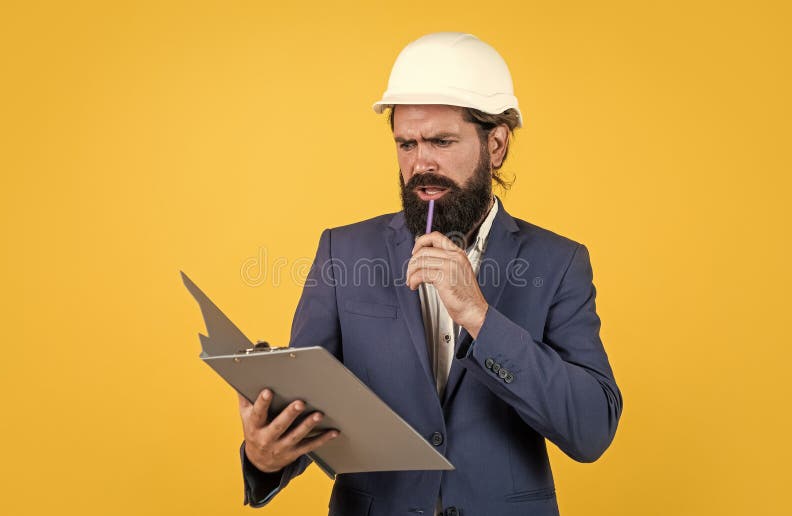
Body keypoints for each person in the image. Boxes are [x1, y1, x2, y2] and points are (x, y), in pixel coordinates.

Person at [237, 32, 623, 516]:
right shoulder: (343, 251)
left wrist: (481, 318)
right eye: (406, 144)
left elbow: (591, 429)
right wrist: (264, 456)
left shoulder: (558, 262)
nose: (421, 163)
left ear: (496, 145)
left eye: (441, 141)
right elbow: (309, 410)